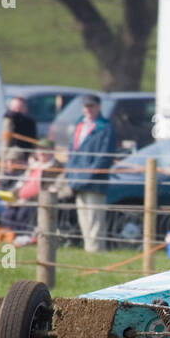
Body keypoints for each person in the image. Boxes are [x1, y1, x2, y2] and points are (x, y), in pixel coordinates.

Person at [66, 95, 116, 252]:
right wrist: (71, 174)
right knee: (84, 218)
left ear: (98, 107)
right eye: (85, 106)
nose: (88, 109)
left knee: (95, 220)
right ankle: (89, 251)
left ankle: (96, 251)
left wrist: (87, 175)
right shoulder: (79, 124)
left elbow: (104, 157)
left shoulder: (105, 128)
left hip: (95, 181)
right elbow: (72, 151)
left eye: (91, 106)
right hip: (77, 179)